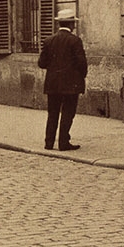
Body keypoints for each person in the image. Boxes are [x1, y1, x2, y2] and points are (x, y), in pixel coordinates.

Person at [38, 8, 87, 151]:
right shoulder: (75, 41)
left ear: (59, 24)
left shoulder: (49, 41)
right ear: (71, 24)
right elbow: (82, 63)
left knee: (52, 113)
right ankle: (63, 142)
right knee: (68, 113)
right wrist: (80, 77)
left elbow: (42, 63)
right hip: (71, 84)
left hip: (52, 84)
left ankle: (48, 142)